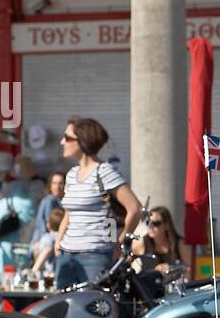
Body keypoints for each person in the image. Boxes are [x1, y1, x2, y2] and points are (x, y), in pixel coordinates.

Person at [54, 118, 141, 288]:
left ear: (82, 141)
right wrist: (58, 240)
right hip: (66, 255)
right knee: (62, 309)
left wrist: (120, 243)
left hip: (94, 256)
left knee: (94, 309)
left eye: (67, 137)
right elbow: (69, 213)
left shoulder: (104, 172)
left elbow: (135, 208)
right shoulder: (71, 174)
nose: (62, 142)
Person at [132, 205, 183, 273]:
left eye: (156, 223)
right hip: (148, 283)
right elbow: (125, 261)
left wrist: (172, 269)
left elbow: (197, 270)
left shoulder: (180, 244)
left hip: (172, 282)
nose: (151, 226)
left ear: (167, 225)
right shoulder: (141, 244)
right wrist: (154, 271)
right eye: (148, 223)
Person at [30, 171, 65, 252]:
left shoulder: (62, 201)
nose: (57, 187)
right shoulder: (50, 200)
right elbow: (46, 225)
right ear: (50, 185)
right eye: (54, 183)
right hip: (45, 242)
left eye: (60, 183)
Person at [31, 206, 64, 279]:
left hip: (50, 276)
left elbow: (47, 250)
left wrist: (33, 270)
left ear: (48, 225)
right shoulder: (64, 237)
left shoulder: (48, 238)